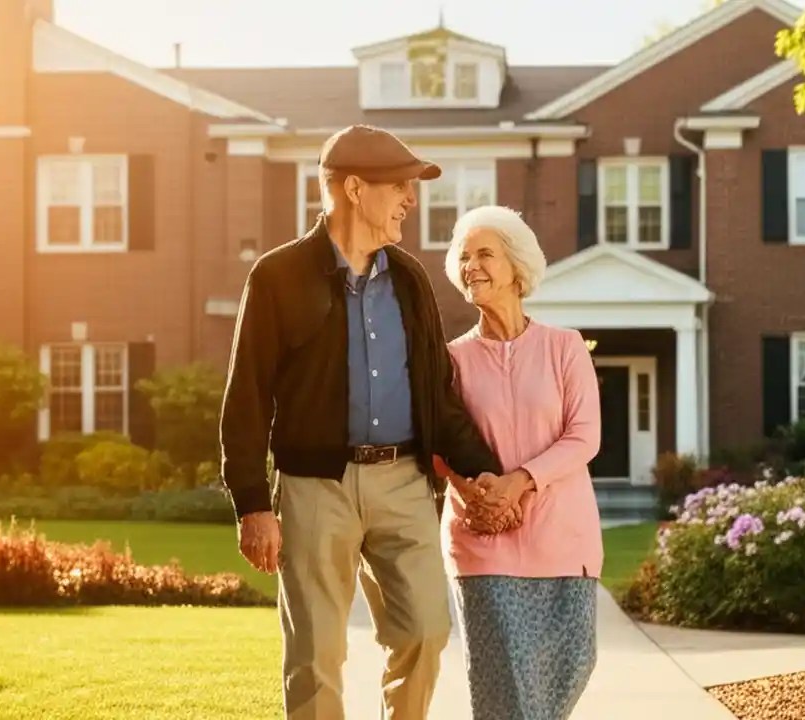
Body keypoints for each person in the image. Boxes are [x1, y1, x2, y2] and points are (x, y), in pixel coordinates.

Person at [218, 124, 503, 720]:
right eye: (399, 185)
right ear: (353, 188)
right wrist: (252, 503)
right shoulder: (276, 277)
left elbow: (436, 393)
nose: (410, 198)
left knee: (425, 629)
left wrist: (483, 471)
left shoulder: (409, 280)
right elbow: (246, 397)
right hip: (313, 489)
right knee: (316, 654)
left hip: (402, 481)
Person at [436, 204, 604, 719]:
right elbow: (437, 441)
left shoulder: (564, 347)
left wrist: (521, 482)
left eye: (484, 253)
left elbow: (584, 436)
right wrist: (475, 495)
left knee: (573, 664)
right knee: (502, 683)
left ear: (516, 266)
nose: (472, 265)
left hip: (563, 537)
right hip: (484, 538)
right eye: (464, 257)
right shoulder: (450, 358)